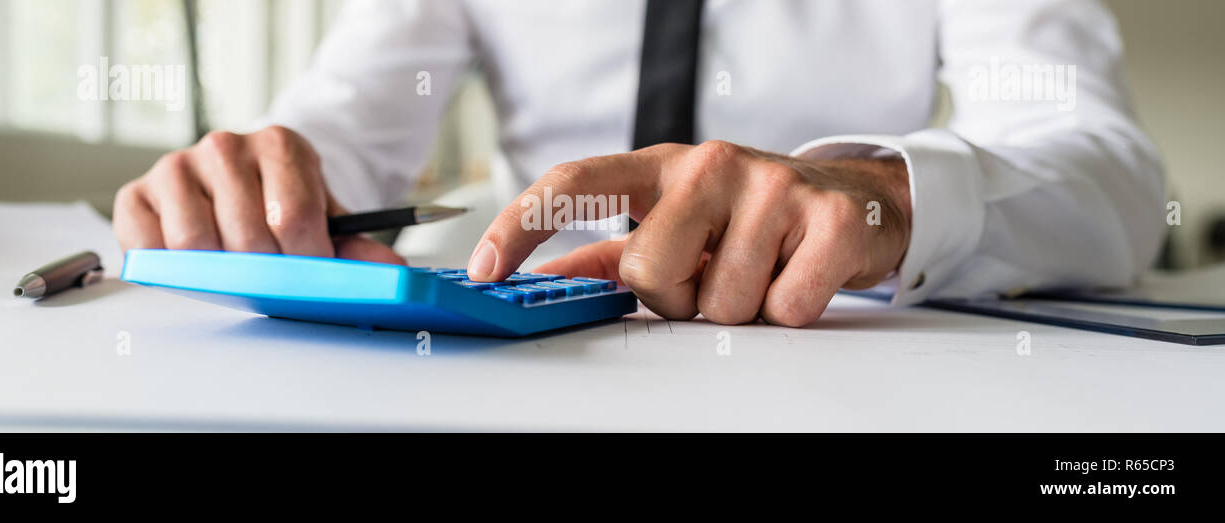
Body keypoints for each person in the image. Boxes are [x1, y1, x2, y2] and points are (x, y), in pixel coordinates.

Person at [112, 0, 1164, 327]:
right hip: (528, 361)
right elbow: (344, 129)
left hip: (831, 361)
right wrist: (271, 181)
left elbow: (1113, 179)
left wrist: (883, 196)